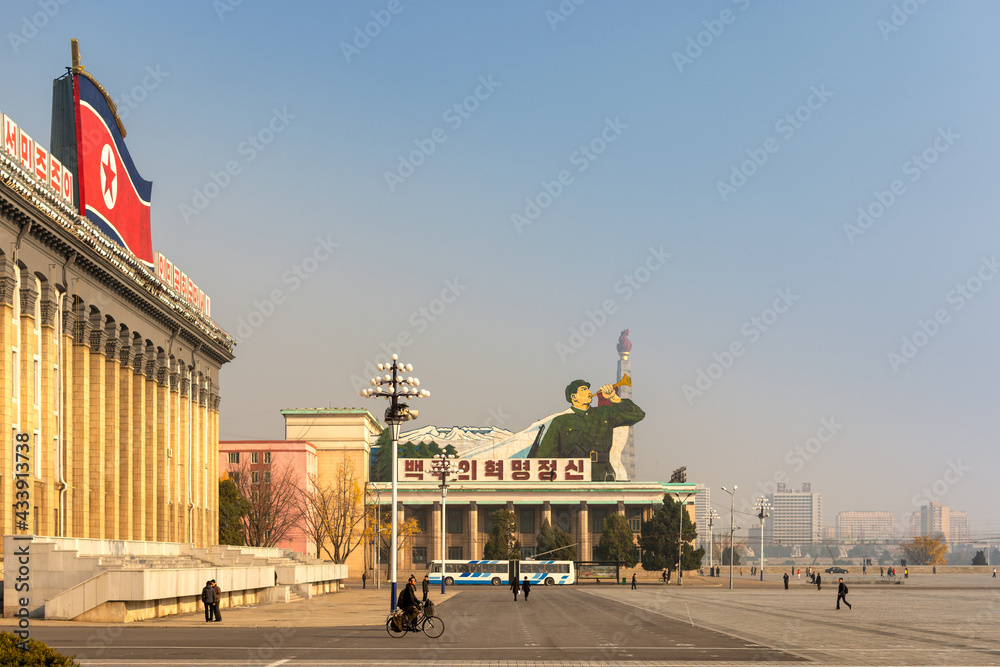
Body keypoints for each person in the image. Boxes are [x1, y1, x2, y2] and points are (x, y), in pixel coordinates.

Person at [531, 378, 645, 481]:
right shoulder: (561, 421)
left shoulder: (604, 413)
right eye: (584, 390)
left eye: (589, 390)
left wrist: (614, 398)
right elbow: (544, 456)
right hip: (573, 474)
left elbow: (637, 415)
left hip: (603, 473)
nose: (590, 392)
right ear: (574, 397)